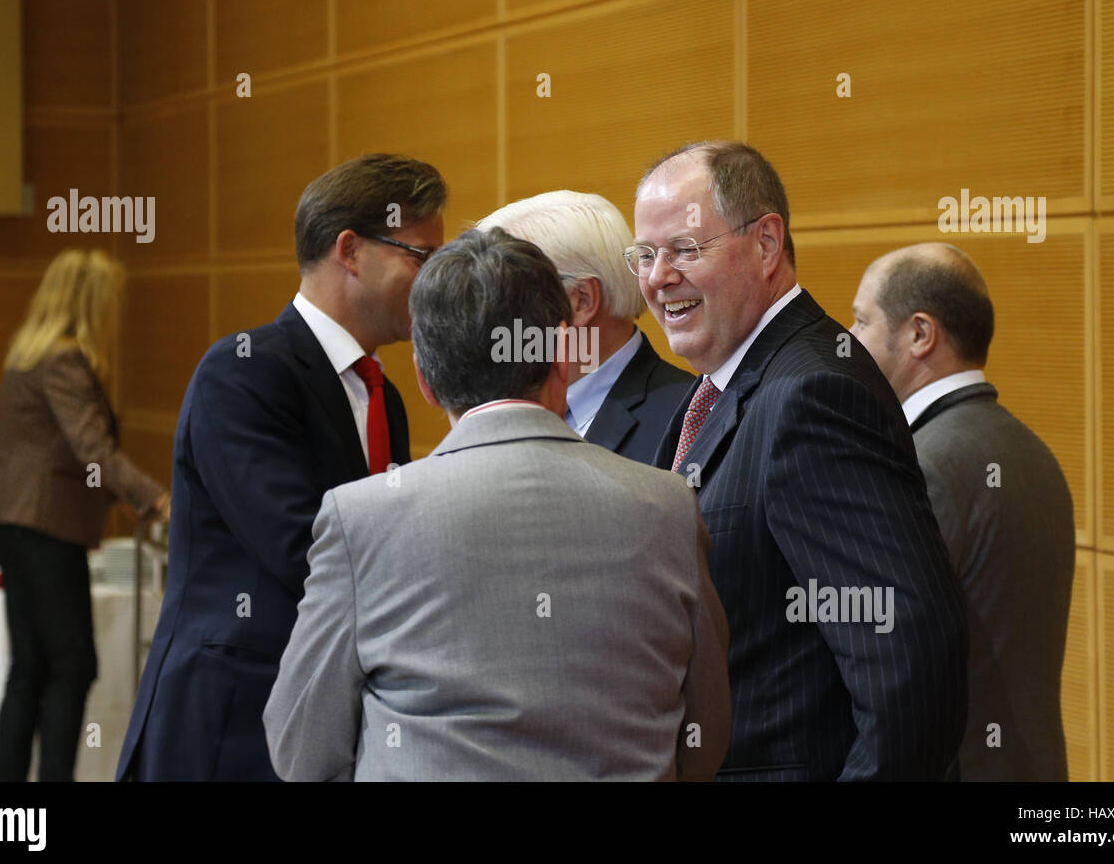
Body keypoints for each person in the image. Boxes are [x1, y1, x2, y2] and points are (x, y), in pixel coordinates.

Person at [263, 227, 731, 781]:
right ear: (562, 358)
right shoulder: (668, 505)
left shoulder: (361, 518)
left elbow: (300, 748)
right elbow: (705, 738)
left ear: (424, 380)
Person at [632, 141, 967, 780]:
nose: (657, 277)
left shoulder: (814, 394)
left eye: (684, 248)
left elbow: (912, 665)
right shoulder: (716, 392)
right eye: (645, 255)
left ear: (765, 244)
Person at [117, 154, 446, 780]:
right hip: (233, 720)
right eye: (420, 256)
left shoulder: (386, 396)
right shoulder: (244, 370)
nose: (432, 281)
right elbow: (307, 547)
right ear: (350, 251)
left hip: (325, 716)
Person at [850, 243, 1074, 781]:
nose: (848, 342)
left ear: (920, 335)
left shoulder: (920, 467)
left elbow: (886, 666)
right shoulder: (1034, 451)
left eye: (861, 321)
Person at [0, 248, 169, 781]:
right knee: (72, 664)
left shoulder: (28, 352)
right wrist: (154, 497)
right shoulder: (64, 357)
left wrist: (118, 497)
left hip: (11, 521)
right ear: (90, 301)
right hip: (43, 528)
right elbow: (93, 450)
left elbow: (58, 452)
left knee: (30, 669)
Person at [477, 191, 692, 462]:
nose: (486, 316)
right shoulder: (492, 404)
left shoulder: (689, 421)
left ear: (581, 300)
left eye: (505, 292)